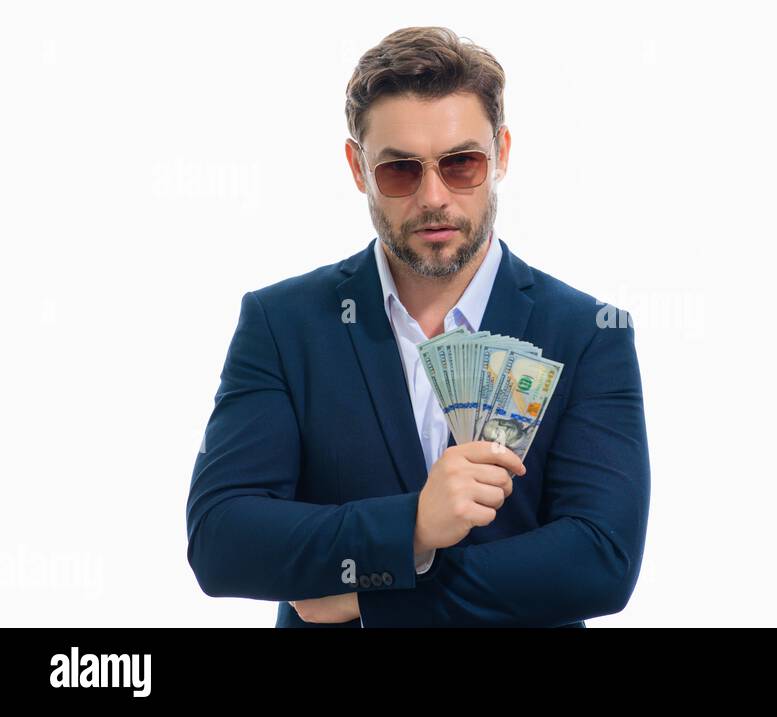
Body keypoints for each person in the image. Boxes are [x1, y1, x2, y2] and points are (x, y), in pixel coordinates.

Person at [185, 26, 650, 627]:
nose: (434, 196)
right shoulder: (283, 323)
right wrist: (414, 526)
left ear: (501, 155)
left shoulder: (589, 333)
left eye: (461, 164)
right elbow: (222, 540)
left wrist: (374, 596)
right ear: (358, 168)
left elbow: (601, 562)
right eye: (401, 170)